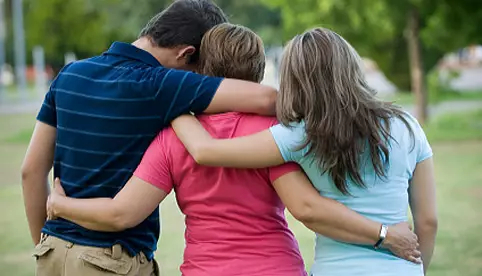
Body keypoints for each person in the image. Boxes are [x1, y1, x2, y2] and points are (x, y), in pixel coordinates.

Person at [48, 24, 421, 275]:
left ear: (201, 70)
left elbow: (121, 213)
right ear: (259, 71)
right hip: (276, 267)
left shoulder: (173, 135)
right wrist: (384, 233)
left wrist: (60, 204)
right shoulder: (276, 131)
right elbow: (306, 207)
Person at [20, 1, 282, 275]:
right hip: (111, 260)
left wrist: (45, 245)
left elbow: (30, 171)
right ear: (186, 54)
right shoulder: (162, 84)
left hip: (51, 251)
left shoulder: (69, 74)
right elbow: (268, 98)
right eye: (199, 70)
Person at [169, 28, 438, 276]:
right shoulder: (406, 125)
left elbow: (205, 151)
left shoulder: (300, 136)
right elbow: (427, 222)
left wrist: (173, 105)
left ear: (295, 80)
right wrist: (414, 265)